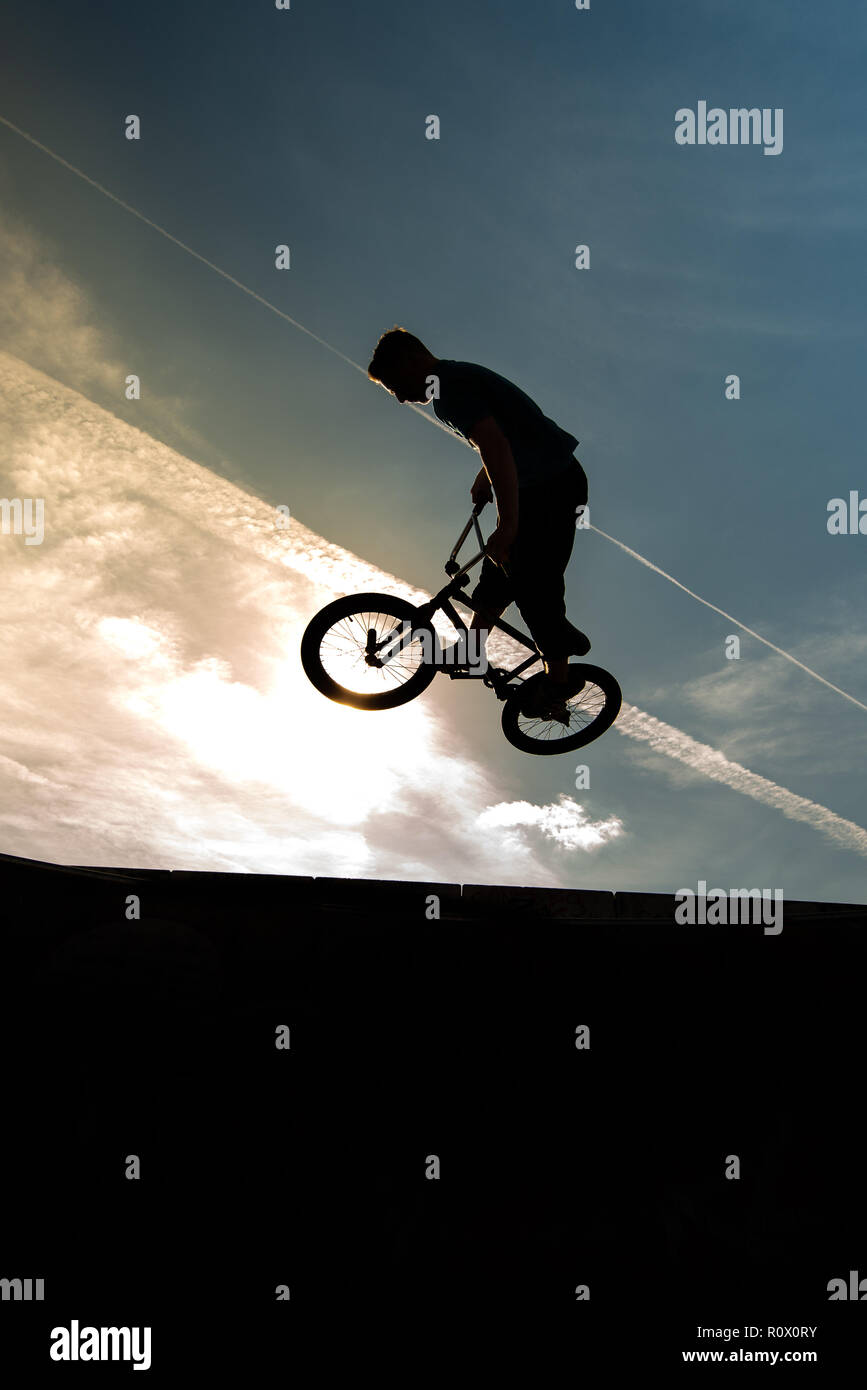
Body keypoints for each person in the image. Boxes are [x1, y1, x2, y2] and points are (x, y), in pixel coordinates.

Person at [367, 326, 590, 716]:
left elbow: (496, 445)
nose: (400, 398)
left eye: (395, 385)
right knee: (497, 572)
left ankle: (559, 678)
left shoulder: (450, 390)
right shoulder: (454, 381)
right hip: (545, 480)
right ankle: (473, 649)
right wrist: (485, 476)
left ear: (411, 360)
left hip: (551, 486)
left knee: (533, 581)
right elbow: (506, 433)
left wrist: (507, 522)